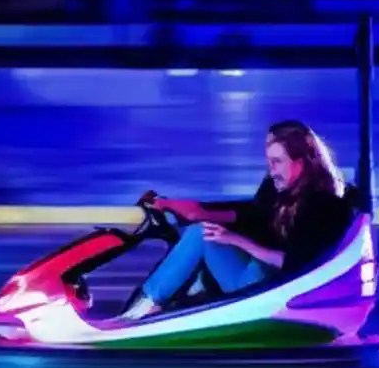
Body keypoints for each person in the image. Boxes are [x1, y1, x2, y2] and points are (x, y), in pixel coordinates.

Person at [122, 121, 354, 320]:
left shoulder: (325, 205)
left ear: (301, 162)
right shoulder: (280, 189)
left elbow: (296, 263)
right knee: (201, 232)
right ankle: (149, 306)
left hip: (279, 293)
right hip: (258, 277)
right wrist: (202, 213)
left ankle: (148, 312)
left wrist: (236, 241)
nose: (271, 171)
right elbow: (253, 215)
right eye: (269, 162)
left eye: (277, 162)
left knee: (205, 238)